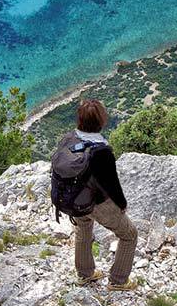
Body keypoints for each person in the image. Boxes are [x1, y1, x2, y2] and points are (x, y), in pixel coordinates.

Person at [58, 99, 137, 290]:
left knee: (83, 230)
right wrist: (122, 204)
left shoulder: (68, 139)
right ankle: (118, 281)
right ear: (102, 121)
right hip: (97, 202)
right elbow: (112, 185)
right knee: (129, 235)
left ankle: (85, 274)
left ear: (79, 120)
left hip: (74, 199)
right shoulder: (102, 151)